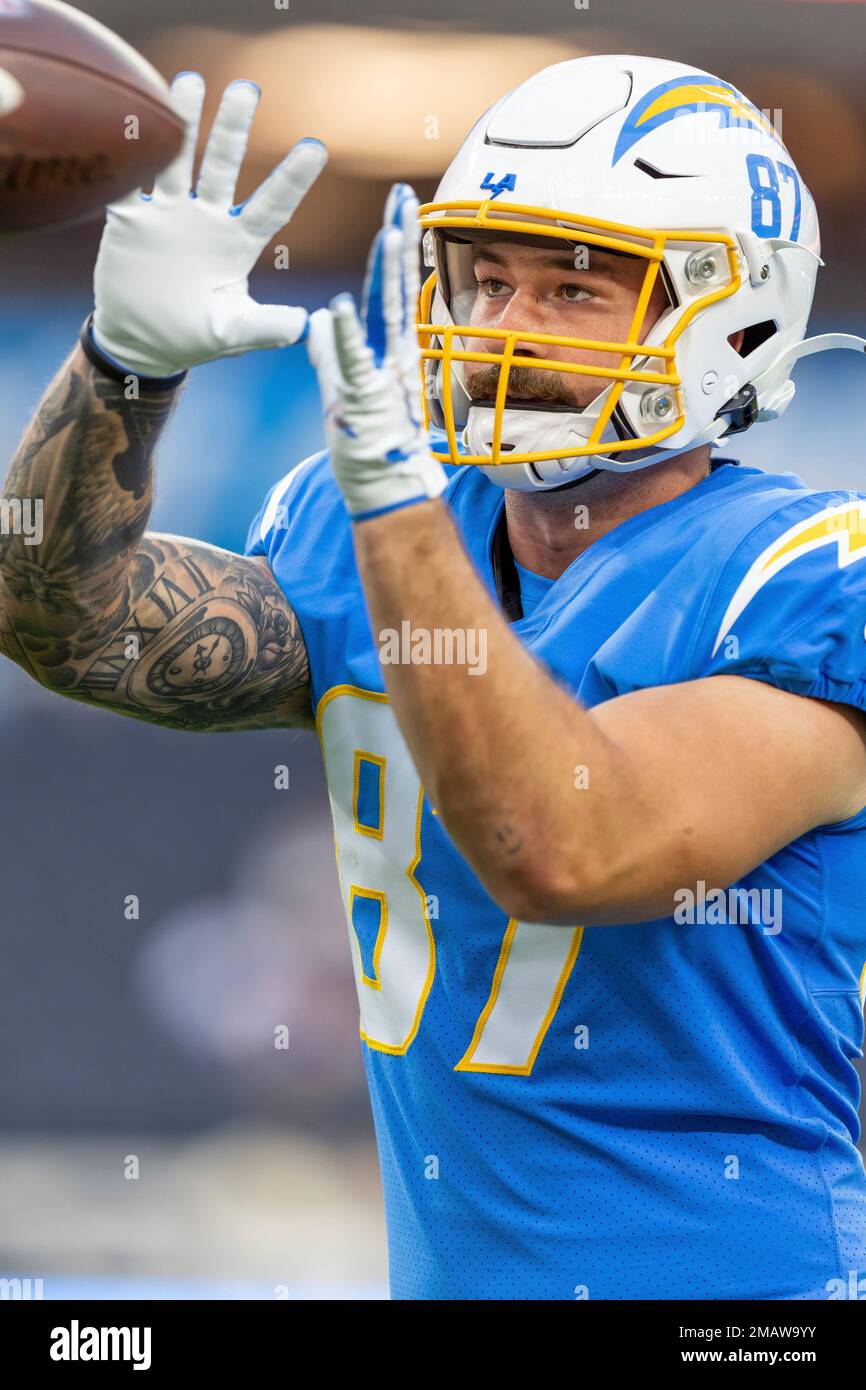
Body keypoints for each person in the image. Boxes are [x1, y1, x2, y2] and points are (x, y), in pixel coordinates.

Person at [2, 55, 865, 1300]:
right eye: (487, 278)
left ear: (731, 316)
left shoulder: (796, 577)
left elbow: (562, 846)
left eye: (572, 290)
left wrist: (394, 506)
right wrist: (122, 365)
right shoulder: (376, 524)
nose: (507, 328)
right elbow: (64, 625)